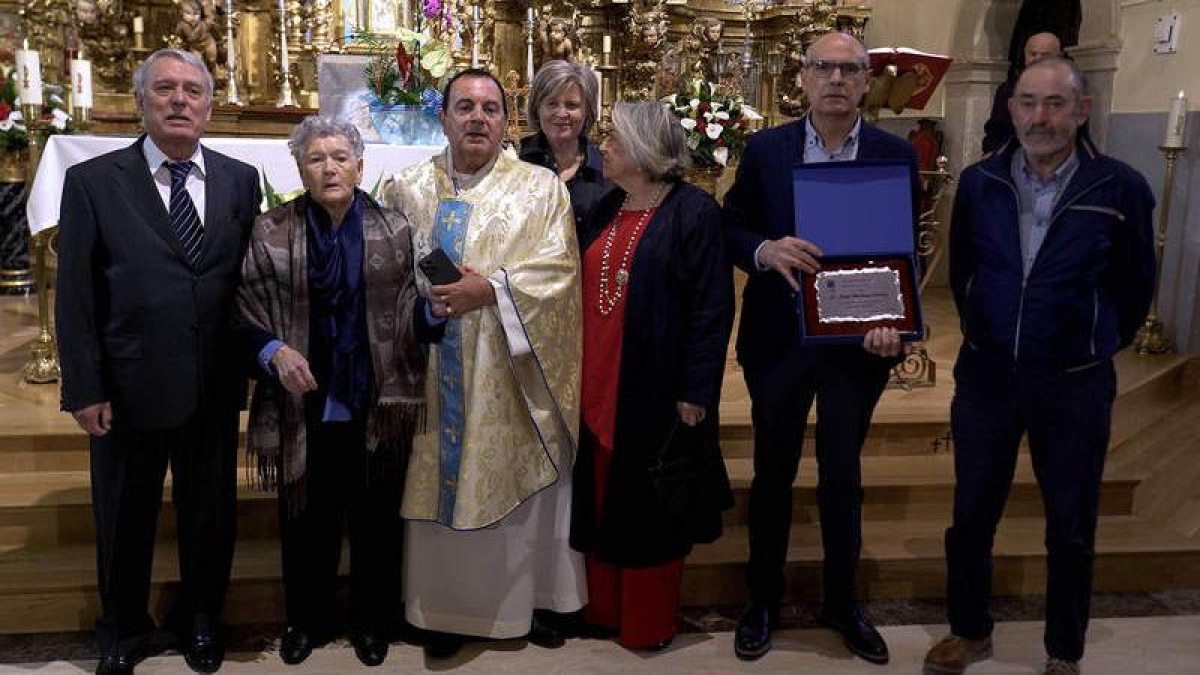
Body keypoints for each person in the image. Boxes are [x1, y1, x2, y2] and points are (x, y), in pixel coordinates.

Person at [924, 56, 1156, 675]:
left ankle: (1063, 650)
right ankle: (969, 631)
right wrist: (986, 333)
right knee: (971, 515)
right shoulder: (979, 183)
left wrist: (1095, 339)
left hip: (1074, 384)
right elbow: (963, 270)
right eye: (1028, 102)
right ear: (1010, 108)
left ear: (1082, 111)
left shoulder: (1121, 187)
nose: (1040, 117)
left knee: (1071, 525)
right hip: (988, 379)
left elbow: (1135, 283)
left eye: (1055, 104)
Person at [55, 49, 261, 675]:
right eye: (165, 89)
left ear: (209, 105)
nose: (179, 100)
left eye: (192, 90)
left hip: (211, 380)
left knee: (210, 511)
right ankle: (121, 625)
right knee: (125, 513)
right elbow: (77, 296)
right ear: (141, 102)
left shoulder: (240, 178)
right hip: (127, 381)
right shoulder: (93, 182)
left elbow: (246, 282)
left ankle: (201, 617)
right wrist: (85, 387)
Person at [723, 31, 919, 666]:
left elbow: (902, 250)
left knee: (843, 474)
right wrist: (764, 251)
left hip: (858, 345)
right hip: (778, 340)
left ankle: (843, 603)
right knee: (772, 473)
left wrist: (897, 326)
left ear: (867, 82)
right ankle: (762, 602)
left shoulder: (895, 153)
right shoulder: (764, 150)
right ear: (802, 78)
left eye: (850, 69)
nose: (836, 79)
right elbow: (730, 226)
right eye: (823, 68)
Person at [381, 68, 586, 659]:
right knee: (436, 480)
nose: (478, 118)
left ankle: (523, 605)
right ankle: (441, 611)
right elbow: (382, 273)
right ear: (442, 117)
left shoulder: (540, 188)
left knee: (512, 478)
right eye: (465, 107)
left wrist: (491, 291)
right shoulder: (404, 186)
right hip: (429, 370)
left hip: (507, 372)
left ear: (506, 121)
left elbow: (558, 273)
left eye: (490, 108)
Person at [235, 116, 439, 668]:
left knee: (375, 519)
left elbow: (406, 306)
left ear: (360, 166)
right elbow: (245, 306)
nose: (329, 167)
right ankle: (306, 620)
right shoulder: (270, 229)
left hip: (375, 397)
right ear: (300, 168)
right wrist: (273, 350)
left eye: (340, 157)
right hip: (301, 399)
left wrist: (433, 314)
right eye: (317, 158)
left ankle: (372, 622)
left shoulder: (395, 229)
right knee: (306, 518)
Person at [568, 101, 734, 650]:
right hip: (599, 373)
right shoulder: (604, 205)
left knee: (649, 507)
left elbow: (712, 309)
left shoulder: (695, 212)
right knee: (602, 497)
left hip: (655, 382)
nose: (603, 145)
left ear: (641, 150)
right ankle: (604, 609)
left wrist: (696, 389)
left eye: (613, 138)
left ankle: (644, 623)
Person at [518, 59, 608, 233]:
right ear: (537, 108)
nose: (561, 113)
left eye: (572, 105)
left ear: (587, 111)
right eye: (552, 104)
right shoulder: (517, 160)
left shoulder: (604, 169)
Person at [981, 31, 1062, 156]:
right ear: (1025, 56)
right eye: (1033, 54)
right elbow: (994, 131)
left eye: (1045, 55)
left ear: (1059, 57)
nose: (1038, 59)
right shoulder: (1007, 90)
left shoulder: (1070, 91)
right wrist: (991, 154)